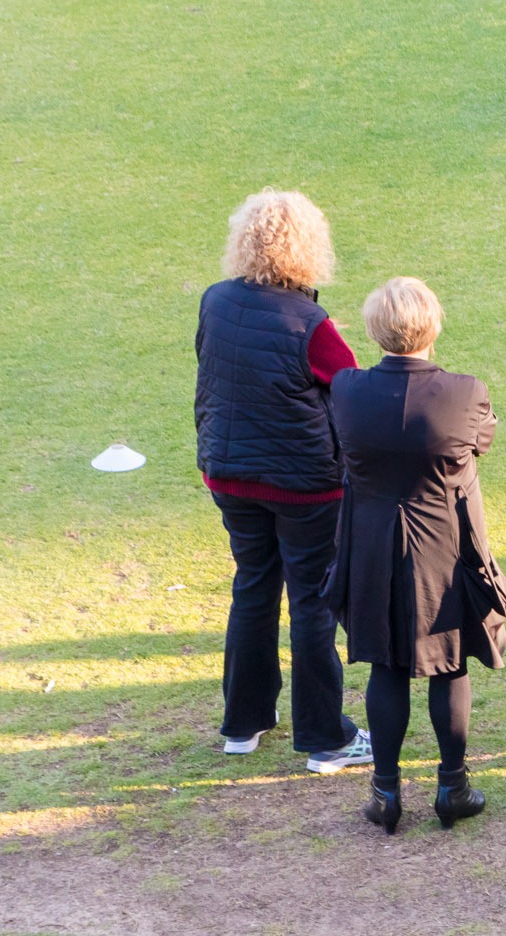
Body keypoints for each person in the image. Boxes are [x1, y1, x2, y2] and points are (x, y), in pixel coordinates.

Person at [193, 189, 371, 773]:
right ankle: (326, 738)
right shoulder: (310, 323)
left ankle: (243, 723)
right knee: (312, 602)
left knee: (253, 587)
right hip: (304, 486)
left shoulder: (216, 301)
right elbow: (350, 387)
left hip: (230, 473)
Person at [327, 277, 506, 834]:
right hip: (442, 548)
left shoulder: (347, 389)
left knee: (387, 665)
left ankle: (385, 793)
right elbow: (482, 442)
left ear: (375, 329)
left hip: (371, 546)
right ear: (432, 325)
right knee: (449, 664)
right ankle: (452, 786)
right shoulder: (465, 392)